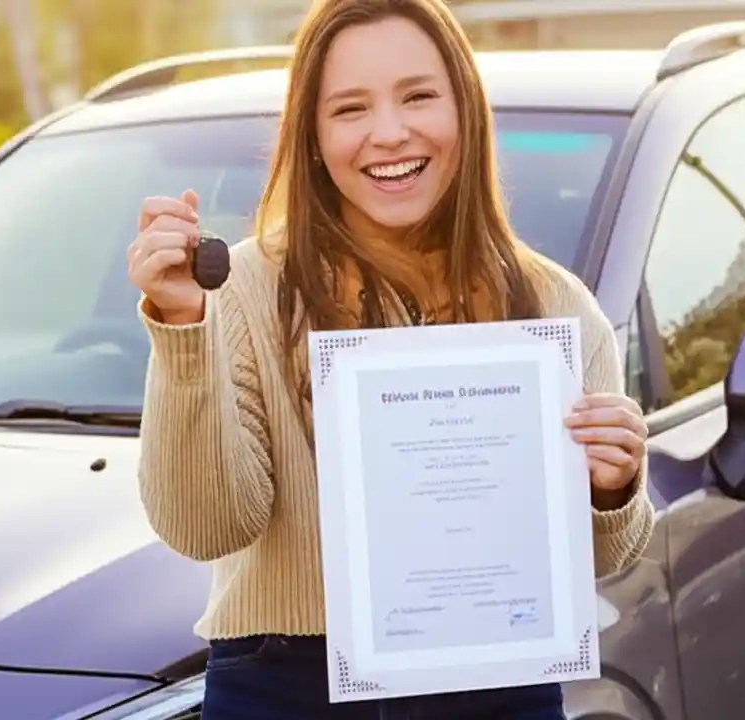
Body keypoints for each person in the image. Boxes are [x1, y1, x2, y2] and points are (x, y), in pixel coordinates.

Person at [125, 0, 655, 717]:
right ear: (311, 135)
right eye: (349, 109)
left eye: (418, 96)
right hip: (286, 684)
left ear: (465, 110)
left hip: (496, 680)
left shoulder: (553, 305)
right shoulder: (242, 290)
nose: (389, 133)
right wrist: (185, 328)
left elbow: (605, 559)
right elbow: (206, 528)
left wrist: (611, 488)